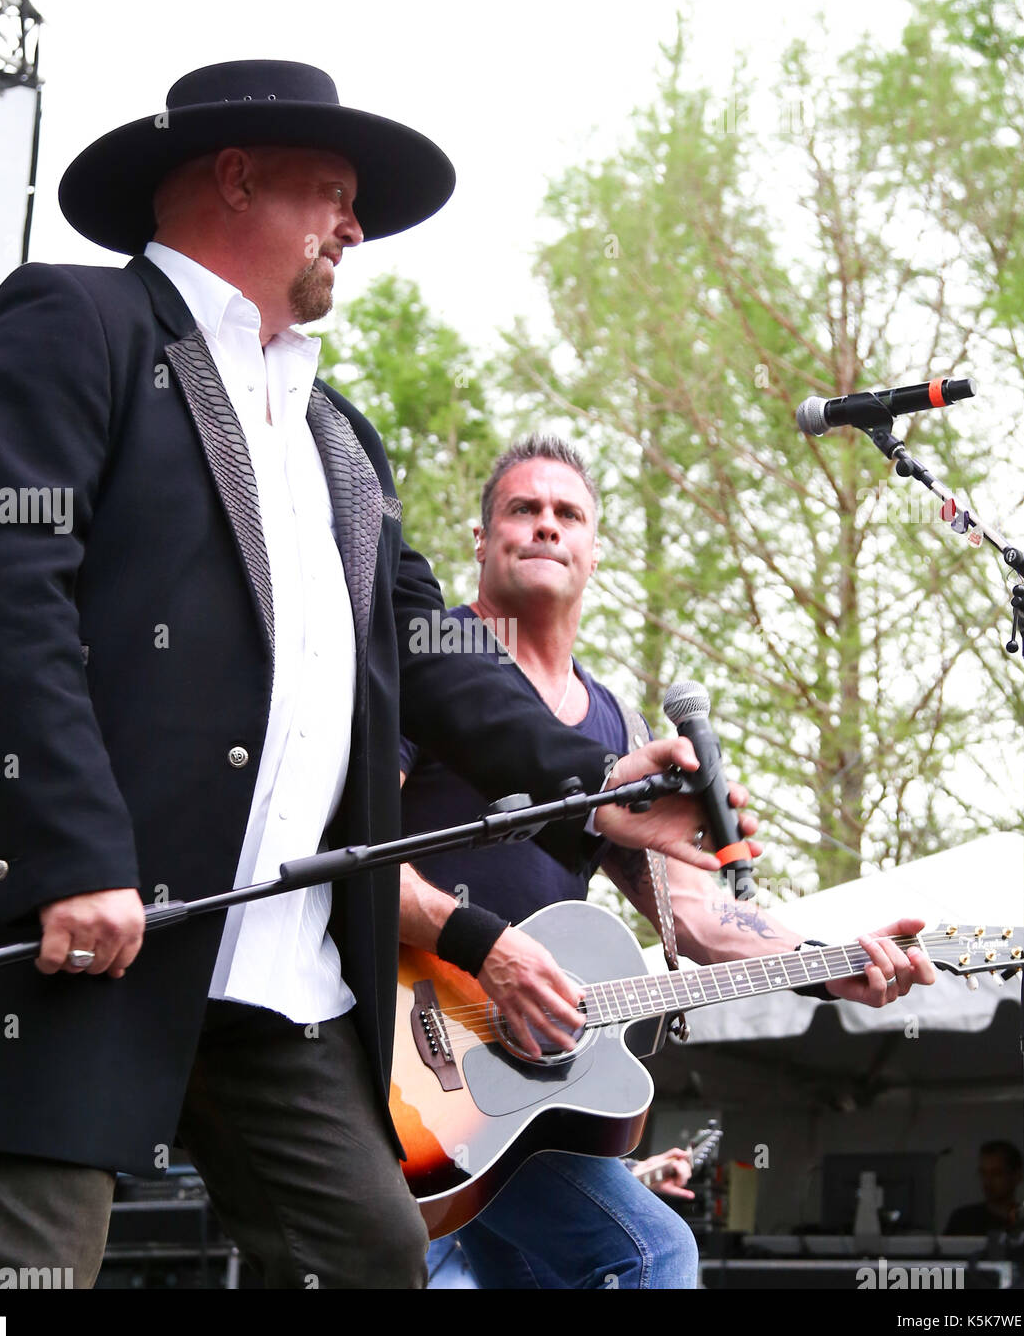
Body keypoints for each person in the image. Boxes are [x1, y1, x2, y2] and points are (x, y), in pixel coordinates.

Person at [0, 61, 763, 1291]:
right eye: (335, 194)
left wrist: (592, 782)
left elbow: (428, 647)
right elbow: (9, 594)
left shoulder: (341, 436)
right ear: (235, 176)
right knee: (14, 1276)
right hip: (100, 930)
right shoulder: (79, 321)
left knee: (373, 1256)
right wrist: (73, 856)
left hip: (283, 964)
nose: (355, 226)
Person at [398, 434, 938, 1288]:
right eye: (522, 509)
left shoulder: (609, 720)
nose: (545, 526)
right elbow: (339, 855)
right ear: (480, 539)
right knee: (650, 1253)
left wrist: (824, 965)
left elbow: (692, 913)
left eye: (567, 513)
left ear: (593, 548)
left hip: (518, 1097)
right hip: (401, 1056)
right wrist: (481, 951)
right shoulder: (429, 660)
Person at [945, 1141, 1024, 1236]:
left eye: (996, 1173)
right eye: (983, 1173)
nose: (987, 1181)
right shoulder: (963, 1220)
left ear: (1017, 1176)